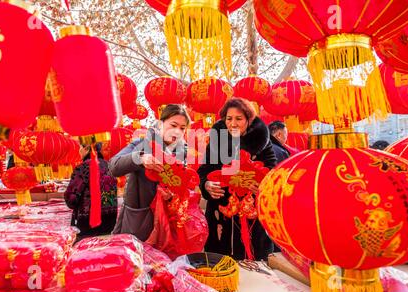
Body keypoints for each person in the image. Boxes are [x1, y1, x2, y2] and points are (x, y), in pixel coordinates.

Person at [198, 97, 277, 261]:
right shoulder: (216, 140)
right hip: (221, 210)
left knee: (254, 264)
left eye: (239, 119)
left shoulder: (261, 142)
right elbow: (204, 170)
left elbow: (273, 172)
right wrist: (206, 184)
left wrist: (262, 185)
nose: (233, 123)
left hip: (252, 213)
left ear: (249, 120)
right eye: (229, 118)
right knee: (219, 261)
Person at [109, 104, 190, 241]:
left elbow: (183, 188)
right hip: (140, 220)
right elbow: (113, 166)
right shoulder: (141, 144)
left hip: (169, 224)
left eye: (182, 128)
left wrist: (172, 196)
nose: (177, 131)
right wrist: (140, 158)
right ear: (161, 124)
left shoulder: (182, 153)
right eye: (173, 125)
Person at [64, 143, 118, 239]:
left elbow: (71, 199)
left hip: (87, 225)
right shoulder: (110, 166)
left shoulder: (83, 167)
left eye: (80, 147)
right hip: (110, 223)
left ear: (87, 148)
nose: (79, 150)